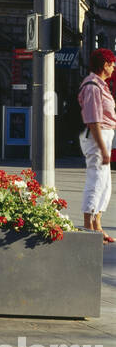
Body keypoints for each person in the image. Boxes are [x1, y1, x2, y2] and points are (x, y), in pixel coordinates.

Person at [77, 48, 116, 243]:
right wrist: (102, 147)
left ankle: (97, 225)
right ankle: (88, 227)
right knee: (96, 181)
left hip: (103, 136)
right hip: (96, 137)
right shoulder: (92, 85)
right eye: (112, 63)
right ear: (104, 65)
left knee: (105, 184)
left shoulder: (101, 85)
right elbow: (93, 120)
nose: (114, 67)